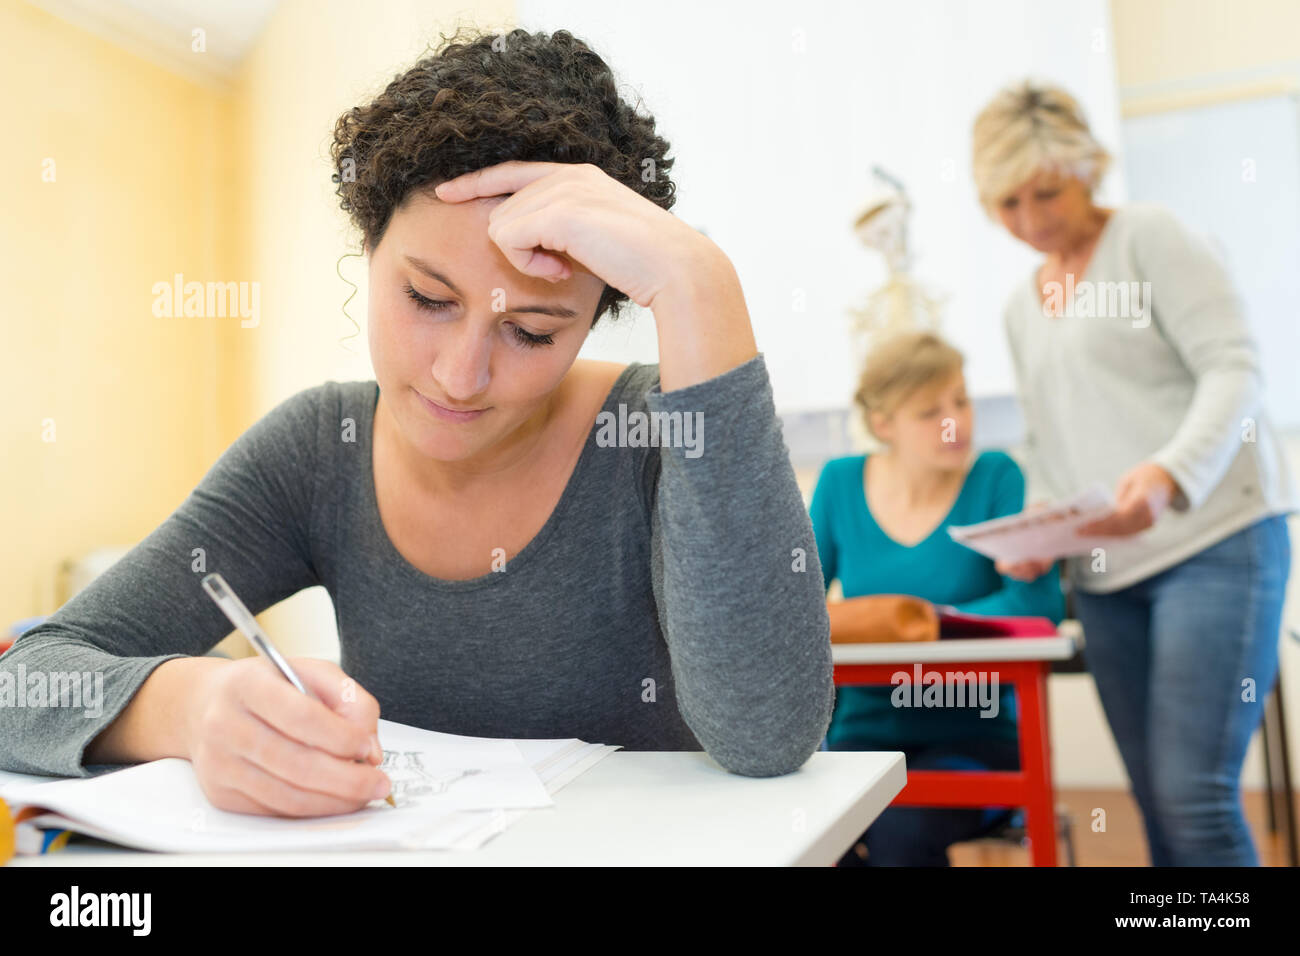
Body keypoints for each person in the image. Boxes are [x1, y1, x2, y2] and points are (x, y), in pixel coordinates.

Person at [0, 28, 834, 817]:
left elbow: (768, 734)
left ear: (591, 322)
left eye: (531, 332)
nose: (459, 376)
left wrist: (699, 285)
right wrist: (187, 705)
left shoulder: (660, 437)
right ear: (369, 250)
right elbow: (23, 684)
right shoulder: (318, 451)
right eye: (429, 299)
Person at [972, 79, 1297, 865]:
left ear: (1087, 168)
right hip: (1107, 575)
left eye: (1047, 193)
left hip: (1214, 547)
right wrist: (1039, 531)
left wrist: (1169, 472)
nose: (1031, 220)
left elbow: (1234, 368)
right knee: (1154, 799)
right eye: (1008, 204)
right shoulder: (1021, 306)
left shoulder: (1150, 237)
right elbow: (1047, 440)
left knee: (1194, 797)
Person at [810, 331, 1064, 866]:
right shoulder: (838, 483)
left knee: (899, 831)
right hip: (862, 740)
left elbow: (1036, 612)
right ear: (883, 425)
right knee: (814, 838)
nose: (956, 423)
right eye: (930, 412)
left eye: (962, 402)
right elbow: (801, 615)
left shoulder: (996, 475)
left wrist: (905, 622)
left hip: (977, 740)